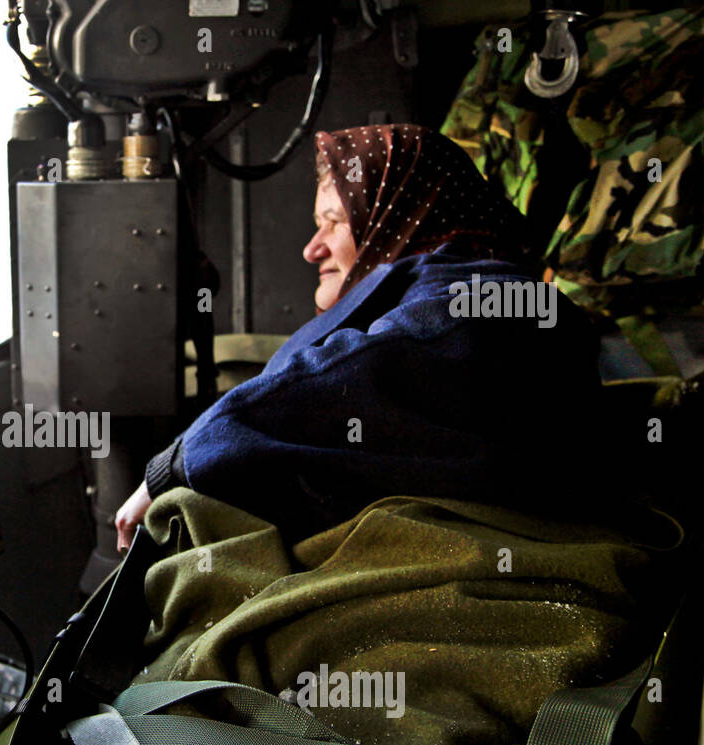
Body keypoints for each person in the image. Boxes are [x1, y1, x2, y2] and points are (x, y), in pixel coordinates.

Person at [116, 123, 610, 549]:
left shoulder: (487, 306)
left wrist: (173, 466)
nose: (312, 249)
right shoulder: (452, 293)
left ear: (404, 215)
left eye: (334, 222)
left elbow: (350, 378)